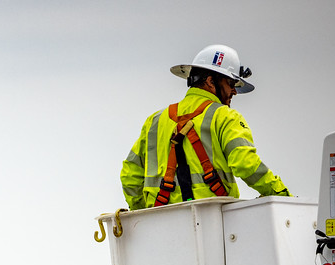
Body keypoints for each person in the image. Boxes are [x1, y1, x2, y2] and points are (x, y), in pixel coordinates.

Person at [120, 44, 291, 210]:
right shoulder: (225, 116)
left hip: (162, 224)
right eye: (231, 84)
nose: (234, 91)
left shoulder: (155, 121)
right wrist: (281, 194)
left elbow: (130, 175)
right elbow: (246, 164)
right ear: (210, 81)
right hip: (213, 221)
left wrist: (144, 212)